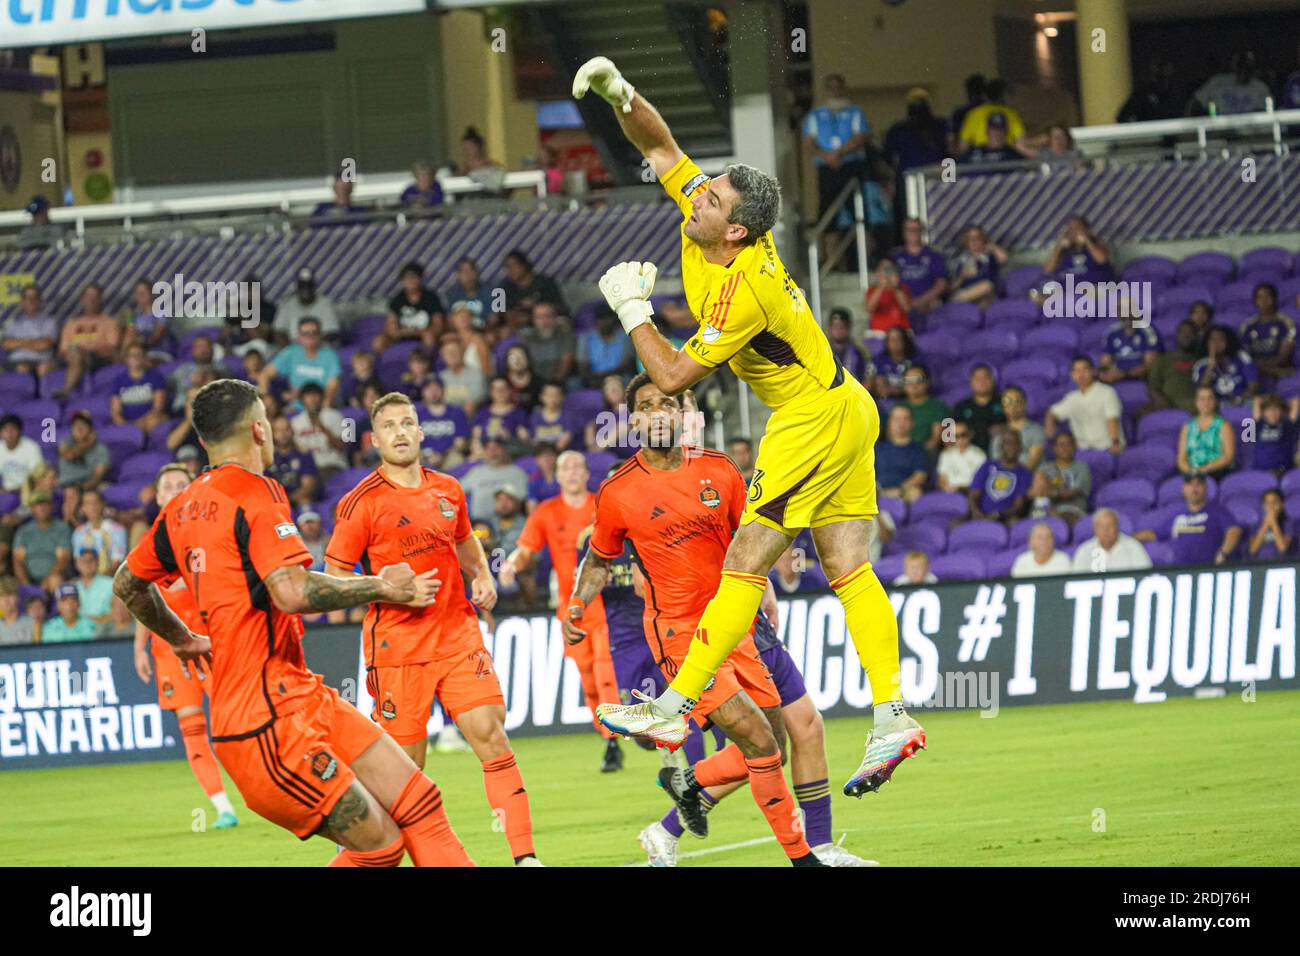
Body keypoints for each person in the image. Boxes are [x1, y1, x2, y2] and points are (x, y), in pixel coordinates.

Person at [575, 55, 924, 801]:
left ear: (735, 231)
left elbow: (668, 378)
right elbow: (662, 148)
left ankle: (673, 710)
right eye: (705, 188)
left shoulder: (746, 292)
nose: (697, 196)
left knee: (744, 563)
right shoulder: (713, 218)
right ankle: (893, 713)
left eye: (713, 198)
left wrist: (634, 309)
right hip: (844, 402)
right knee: (848, 568)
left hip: (811, 419)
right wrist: (620, 94)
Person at [115, 377, 472, 866]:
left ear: (202, 440)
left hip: (302, 695)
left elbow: (127, 583)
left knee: (421, 802)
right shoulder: (256, 493)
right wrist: (381, 586)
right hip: (263, 728)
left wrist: (183, 640)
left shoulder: (179, 509)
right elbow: (293, 591)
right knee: (382, 846)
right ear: (260, 430)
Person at [584, 386, 872, 867]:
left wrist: (767, 591)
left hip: (749, 619)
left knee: (800, 729)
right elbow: (635, 569)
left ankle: (684, 814)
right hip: (704, 630)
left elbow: (749, 537)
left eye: (680, 407)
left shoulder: (717, 470)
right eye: (659, 408)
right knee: (763, 744)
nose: (674, 417)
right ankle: (796, 847)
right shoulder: (638, 485)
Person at [324, 392, 540, 865]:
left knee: (490, 732)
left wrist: (481, 576)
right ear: (374, 439)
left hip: (457, 633)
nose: (400, 433)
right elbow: (334, 578)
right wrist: (389, 589)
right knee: (405, 775)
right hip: (397, 648)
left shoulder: (448, 489)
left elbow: (466, 544)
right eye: (390, 426)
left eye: (408, 423)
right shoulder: (360, 503)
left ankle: (525, 858)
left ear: (421, 432)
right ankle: (358, 846)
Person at [498, 450, 624, 772]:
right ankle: (606, 734)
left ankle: (612, 741)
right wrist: (511, 564)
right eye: (564, 467)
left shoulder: (602, 504)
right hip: (572, 609)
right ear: (556, 475)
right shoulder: (546, 512)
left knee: (605, 672)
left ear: (585, 473)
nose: (571, 472)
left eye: (576, 466)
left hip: (608, 604)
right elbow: (526, 549)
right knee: (589, 680)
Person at [130, 462, 240, 829]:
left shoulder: (206, 534)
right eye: (168, 485)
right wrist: (138, 648)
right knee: (192, 730)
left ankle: (267, 788)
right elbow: (139, 598)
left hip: (211, 645)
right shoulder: (149, 546)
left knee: (234, 723)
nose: (176, 488)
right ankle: (223, 807)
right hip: (170, 653)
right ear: (158, 496)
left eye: (182, 483)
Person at [1136, 473, 1241, 566]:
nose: (1194, 489)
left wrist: (1224, 552)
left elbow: (1233, 531)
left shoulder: (1217, 510)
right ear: (1183, 489)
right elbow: (1153, 534)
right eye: (1190, 485)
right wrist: (1128, 539)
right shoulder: (1177, 515)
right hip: (1180, 571)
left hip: (1208, 568)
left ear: (1205, 488)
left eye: (1198, 484)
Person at [1046, 356, 1125, 453]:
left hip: (1107, 449)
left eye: (1085, 370)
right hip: (1082, 451)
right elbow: (1052, 413)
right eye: (1077, 371)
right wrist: (1050, 427)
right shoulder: (1071, 398)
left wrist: (1115, 443)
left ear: (1093, 371)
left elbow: (1112, 419)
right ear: (1072, 375)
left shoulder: (1107, 392)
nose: (1081, 374)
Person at [57, 284, 122, 396]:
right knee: (75, 354)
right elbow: (63, 350)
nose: (91, 300)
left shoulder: (110, 322)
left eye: (95, 296)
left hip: (99, 359)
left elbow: (111, 348)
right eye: (88, 296)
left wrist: (87, 351)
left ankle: (67, 390)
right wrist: (75, 353)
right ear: (82, 299)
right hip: (73, 358)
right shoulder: (71, 324)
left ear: (100, 299)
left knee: (77, 353)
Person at [264, 318, 342, 407]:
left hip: (321, 406)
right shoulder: (291, 352)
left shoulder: (330, 355)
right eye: (305, 333)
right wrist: (267, 398)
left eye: (314, 332)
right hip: (295, 407)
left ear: (320, 335)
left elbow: (331, 389)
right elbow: (265, 375)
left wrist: (322, 411)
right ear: (299, 337)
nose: (310, 336)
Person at [377, 262, 445, 352]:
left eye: (414, 277)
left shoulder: (431, 298)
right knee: (378, 341)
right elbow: (390, 323)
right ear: (402, 281)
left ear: (421, 279)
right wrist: (399, 332)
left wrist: (418, 332)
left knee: (429, 336)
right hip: (402, 334)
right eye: (407, 278)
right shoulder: (398, 299)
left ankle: (424, 363)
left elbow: (438, 325)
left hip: (424, 334)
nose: (410, 281)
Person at [967, 429, 1032, 524]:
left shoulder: (1024, 473)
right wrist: (975, 511)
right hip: (981, 514)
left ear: (1020, 447)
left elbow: (1019, 505)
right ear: (1001, 447)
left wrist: (999, 515)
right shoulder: (987, 466)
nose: (1011, 447)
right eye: (1007, 443)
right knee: (955, 523)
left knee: (1014, 523)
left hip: (1005, 517)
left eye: (1014, 443)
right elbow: (973, 495)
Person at [13, 491, 72, 591]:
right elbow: (18, 561)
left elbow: (63, 559)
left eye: (45, 504)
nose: (42, 508)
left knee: (55, 580)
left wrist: (46, 581)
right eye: (37, 505)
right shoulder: (23, 531)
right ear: (32, 509)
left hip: (53, 577)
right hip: (29, 578)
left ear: (51, 506)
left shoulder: (62, 528)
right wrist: (26, 583)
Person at [460, 437, 529, 523]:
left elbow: (525, 501)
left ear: (504, 450)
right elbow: (455, 490)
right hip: (480, 525)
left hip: (509, 524)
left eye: (496, 448)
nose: (492, 452)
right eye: (488, 448)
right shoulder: (476, 472)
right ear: (484, 452)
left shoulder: (517, 473)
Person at [1238, 283, 1296, 383]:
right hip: (1264, 372)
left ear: (1274, 299)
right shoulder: (1247, 326)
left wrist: (1257, 366)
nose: (1264, 301)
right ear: (1255, 301)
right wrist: (1274, 371)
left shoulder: (1286, 323)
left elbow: (1283, 357)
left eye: (1268, 296)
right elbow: (1244, 358)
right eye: (1260, 297)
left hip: (1277, 369)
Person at [882, 88, 948, 175]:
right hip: (933, 175)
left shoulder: (897, 129)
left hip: (919, 176)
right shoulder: (942, 124)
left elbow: (887, 158)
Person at [891, 218, 949, 317]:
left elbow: (941, 284)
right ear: (904, 232)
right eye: (909, 230)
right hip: (901, 304)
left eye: (916, 229)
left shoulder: (934, 256)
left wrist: (920, 301)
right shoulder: (895, 257)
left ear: (922, 231)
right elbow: (888, 281)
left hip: (927, 303)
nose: (912, 233)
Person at [290, 383, 349, 477]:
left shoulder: (335, 416)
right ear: (302, 400)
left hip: (332, 465)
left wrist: (322, 427)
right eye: (308, 396)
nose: (312, 399)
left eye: (315, 395)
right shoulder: (295, 422)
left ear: (322, 398)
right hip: (307, 468)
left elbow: (341, 446)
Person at [1030, 432, 1091, 524]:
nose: (1065, 448)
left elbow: (1072, 493)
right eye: (1061, 445)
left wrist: (1050, 490)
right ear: (1055, 448)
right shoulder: (1044, 467)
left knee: (1058, 519)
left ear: (1074, 447)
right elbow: (1036, 490)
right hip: (1045, 508)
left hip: (1072, 509)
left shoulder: (1082, 467)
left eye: (1068, 444)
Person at [1177, 386, 1236, 478]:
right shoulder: (1187, 426)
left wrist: (1203, 470)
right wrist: (1190, 471)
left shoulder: (1223, 425)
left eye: (1210, 398)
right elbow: (1181, 458)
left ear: (1215, 402)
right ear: (1196, 402)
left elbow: (1228, 456)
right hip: (1192, 472)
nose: (1206, 402)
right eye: (1202, 399)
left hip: (1217, 471)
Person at [110, 342, 169, 434]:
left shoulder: (155, 377)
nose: (135, 358)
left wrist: (141, 422)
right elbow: (116, 411)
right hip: (128, 422)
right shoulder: (119, 380)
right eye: (131, 355)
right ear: (126, 359)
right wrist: (125, 425)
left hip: (150, 420)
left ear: (144, 358)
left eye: (138, 355)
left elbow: (158, 407)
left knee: (159, 419)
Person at [1145, 320, 1202, 414]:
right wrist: (1164, 403)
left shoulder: (1200, 361)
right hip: (1167, 403)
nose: (1186, 336)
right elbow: (1152, 388)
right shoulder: (1162, 359)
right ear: (1176, 335)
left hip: (1195, 404)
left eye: (1191, 333)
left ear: (1196, 337)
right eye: (1183, 332)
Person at [2, 282, 59, 376]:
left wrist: (18, 343)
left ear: (39, 301)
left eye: (34, 298)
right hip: (17, 361)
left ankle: (44, 390)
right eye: (28, 298)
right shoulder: (14, 323)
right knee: (22, 368)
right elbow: (6, 344)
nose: (31, 301)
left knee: (44, 368)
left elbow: (45, 345)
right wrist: (31, 341)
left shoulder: (49, 322)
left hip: (41, 361)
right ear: (22, 302)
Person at [877, 405, 931, 503]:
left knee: (916, 493)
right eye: (897, 419)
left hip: (902, 492)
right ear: (889, 423)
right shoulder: (877, 448)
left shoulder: (917, 450)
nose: (901, 423)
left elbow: (920, 476)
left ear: (912, 423)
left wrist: (900, 489)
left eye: (905, 419)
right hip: (877, 491)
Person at [272, 268, 341, 344]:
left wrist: (310, 343)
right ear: (297, 287)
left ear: (314, 286)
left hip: (319, 347)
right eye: (302, 286)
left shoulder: (325, 303)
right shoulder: (287, 304)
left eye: (308, 286)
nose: (305, 289)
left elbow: (331, 332)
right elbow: (278, 331)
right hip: (292, 347)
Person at [1071, 508, 1152, 573]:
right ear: (1095, 529)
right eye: (1101, 527)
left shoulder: (1133, 547)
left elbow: (1144, 576)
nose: (1106, 530)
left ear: (1117, 528)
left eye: (1110, 526)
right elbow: (1075, 581)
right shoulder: (1084, 550)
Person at [1192, 325, 1258, 404]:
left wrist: (1239, 400)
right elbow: (1201, 391)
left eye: (1221, 339)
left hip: (1242, 402)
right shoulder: (1201, 364)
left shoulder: (1241, 357)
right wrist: (1211, 365)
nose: (1216, 343)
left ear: (1228, 342)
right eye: (1212, 340)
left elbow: (1253, 385)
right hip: (1215, 407)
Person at [1190, 51, 1271, 115]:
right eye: (1240, 66)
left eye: (1247, 67)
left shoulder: (1261, 88)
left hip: (1249, 131)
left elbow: (1266, 113)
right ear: (1234, 66)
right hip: (1220, 128)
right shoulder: (1218, 82)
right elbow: (1195, 102)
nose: (1243, 71)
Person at [417, 377, 471, 471]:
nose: (433, 392)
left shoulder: (456, 412)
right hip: (423, 455)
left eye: (436, 389)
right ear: (423, 392)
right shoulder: (416, 413)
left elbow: (461, 442)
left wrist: (442, 455)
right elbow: (412, 440)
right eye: (429, 389)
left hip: (449, 456)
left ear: (443, 391)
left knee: (457, 460)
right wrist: (427, 455)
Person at [1043, 215, 1113, 286]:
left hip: (1094, 285)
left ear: (1085, 229)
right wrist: (1059, 247)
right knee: (1043, 295)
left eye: (1077, 227)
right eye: (1070, 228)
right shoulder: (1063, 249)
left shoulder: (1095, 242)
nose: (1073, 231)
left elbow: (1102, 259)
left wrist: (1087, 241)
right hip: (1068, 287)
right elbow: (1048, 269)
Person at [989, 385, 1046, 470]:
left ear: (1025, 404)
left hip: (1028, 478)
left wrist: (1014, 478)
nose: (1012, 405)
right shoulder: (999, 432)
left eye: (1017, 401)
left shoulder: (1037, 431)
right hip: (1003, 478)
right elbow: (995, 461)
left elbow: (1032, 462)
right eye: (1007, 401)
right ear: (1002, 407)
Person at [72, 488, 127, 574]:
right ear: (82, 508)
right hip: (88, 578)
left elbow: (117, 561)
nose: (92, 507)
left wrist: (101, 580)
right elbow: (79, 560)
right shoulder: (79, 532)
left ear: (102, 504)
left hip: (111, 577)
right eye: (88, 504)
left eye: (95, 502)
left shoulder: (117, 529)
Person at [949, 225, 1007, 307]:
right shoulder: (962, 259)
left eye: (977, 238)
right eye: (970, 239)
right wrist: (962, 277)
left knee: (986, 286)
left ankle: (952, 304)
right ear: (966, 242)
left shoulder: (989, 256)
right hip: (968, 295)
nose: (974, 241)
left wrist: (990, 245)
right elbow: (953, 287)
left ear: (983, 239)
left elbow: (1004, 258)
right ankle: (956, 304)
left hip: (988, 293)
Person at [957, 78, 1025, 147]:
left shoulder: (973, 114)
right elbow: (1020, 144)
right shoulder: (1011, 114)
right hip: (1006, 156)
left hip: (980, 156)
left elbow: (963, 145)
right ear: (1003, 96)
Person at [952, 363, 1005, 452]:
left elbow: (1016, 425)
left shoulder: (1003, 403)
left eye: (986, 378)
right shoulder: (961, 406)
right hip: (968, 452)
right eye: (977, 379)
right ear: (971, 382)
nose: (982, 382)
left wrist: (1004, 428)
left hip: (999, 451)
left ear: (993, 380)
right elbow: (951, 434)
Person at [578, 307, 636, 386]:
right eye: (601, 319)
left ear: (614, 319)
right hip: (594, 377)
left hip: (619, 375)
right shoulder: (586, 338)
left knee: (628, 380)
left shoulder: (624, 336)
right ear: (596, 321)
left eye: (608, 318)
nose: (605, 322)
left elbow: (627, 363)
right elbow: (582, 365)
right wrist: (591, 377)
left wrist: (607, 376)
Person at [120, 278, 175, 361]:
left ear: (152, 293)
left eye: (144, 292)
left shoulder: (162, 313)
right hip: (137, 355)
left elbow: (155, 338)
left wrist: (138, 340)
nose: (141, 295)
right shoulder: (133, 315)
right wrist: (123, 355)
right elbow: (129, 334)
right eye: (138, 293)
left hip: (159, 353)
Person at [472, 376, 530, 452]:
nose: (499, 392)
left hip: (509, 454)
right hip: (484, 455)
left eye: (503, 389)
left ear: (510, 391)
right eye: (496, 389)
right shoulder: (482, 413)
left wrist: (509, 438)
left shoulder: (519, 414)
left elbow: (526, 442)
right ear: (491, 392)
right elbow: (474, 439)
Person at [58, 411, 112, 492]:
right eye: (75, 425)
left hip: (86, 487)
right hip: (63, 486)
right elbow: (69, 455)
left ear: (90, 428)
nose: (79, 428)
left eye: (83, 424)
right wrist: (88, 443)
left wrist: (80, 490)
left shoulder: (101, 448)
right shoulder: (66, 441)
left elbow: (97, 477)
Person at [501, 250, 567, 313]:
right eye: (507, 267)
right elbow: (499, 312)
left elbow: (561, 308)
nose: (510, 270)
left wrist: (537, 305)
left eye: (513, 265)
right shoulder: (506, 288)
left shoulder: (545, 283)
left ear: (524, 265)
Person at [902, 364, 949, 453]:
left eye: (918, 380)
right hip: (900, 453)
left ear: (927, 382)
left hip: (927, 454)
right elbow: (892, 437)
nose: (914, 384)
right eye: (909, 380)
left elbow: (935, 440)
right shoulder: (899, 407)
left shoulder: (937, 406)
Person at [1250, 394, 1298, 476]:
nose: (1273, 412)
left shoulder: (1286, 425)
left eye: (1276, 409)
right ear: (1263, 412)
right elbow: (1256, 402)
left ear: (1282, 412)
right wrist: (1258, 403)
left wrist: (1292, 404)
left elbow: (1295, 403)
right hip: (1260, 471)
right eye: (1268, 409)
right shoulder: (1257, 425)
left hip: (1282, 470)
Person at [957, 111, 1021, 170]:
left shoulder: (1012, 154)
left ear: (1006, 132)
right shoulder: (974, 152)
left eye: (1000, 129)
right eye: (993, 129)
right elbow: (957, 166)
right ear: (987, 131)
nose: (997, 133)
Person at [936, 421, 986, 494]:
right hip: (949, 492)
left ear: (970, 434)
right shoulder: (946, 454)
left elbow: (981, 480)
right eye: (956, 436)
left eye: (963, 435)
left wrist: (960, 489)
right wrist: (945, 487)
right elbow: (942, 478)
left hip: (970, 492)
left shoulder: (979, 455)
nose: (959, 439)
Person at [527, 380, 579, 451]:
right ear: (541, 397)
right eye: (549, 395)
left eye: (556, 395)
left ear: (562, 397)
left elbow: (564, 442)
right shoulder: (534, 417)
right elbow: (531, 439)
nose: (552, 398)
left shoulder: (569, 416)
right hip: (539, 455)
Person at [864, 259, 912, 334]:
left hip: (901, 332)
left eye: (890, 268)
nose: (887, 272)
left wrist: (896, 287)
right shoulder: (872, 290)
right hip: (879, 332)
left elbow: (907, 308)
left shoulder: (902, 289)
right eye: (884, 269)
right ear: (877, 273)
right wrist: (881, 286)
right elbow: (869, 309)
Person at [443, 257, 493, 329]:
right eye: (463, 271)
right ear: (458, 275)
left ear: (476, 273)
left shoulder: (489, 292)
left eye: (470, 270)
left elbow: (493, 321)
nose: (467, 274)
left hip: (483, 332)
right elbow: (449, 321)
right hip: (459, 333)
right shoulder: (451, 294)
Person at [1247, 489, 1296, 560]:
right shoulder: (1256, 525)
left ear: (1282, 504)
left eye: (1275, 502)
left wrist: (1273, 523)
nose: (1271, 506)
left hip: (1283, 564)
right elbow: (1252, 550)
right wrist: (1265, 525)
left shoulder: (1289, 523)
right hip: (1260, 564)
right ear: (1263, 505)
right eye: (1267, 503)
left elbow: (1283, 548)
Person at [0, 413, 43, 494]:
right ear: (0, 433)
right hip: (7, 493)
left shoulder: (31, 447)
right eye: (5, 430)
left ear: (19, 431)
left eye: (13, 429)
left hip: (29, 491)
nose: (9, 433)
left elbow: (36, 478)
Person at [871, 326, 917, 400]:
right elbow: (877, 387)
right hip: (883, 402)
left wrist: (895, 390)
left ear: (905, 341)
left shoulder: (914, 361)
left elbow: (916, 386)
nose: (895, 343)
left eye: (898, 339)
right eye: (891, 340)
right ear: (886, 342)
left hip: (908, 400)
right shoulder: (879, 360)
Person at [826, 308, 870, 383]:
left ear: (849, 327)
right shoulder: (823, 351)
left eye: (842, 326)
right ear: (830, 327)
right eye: (835, 326)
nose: (838, 330)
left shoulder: (859, 352)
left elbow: (868, 379)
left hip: (854, 392)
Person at [0, 576, 37, 646]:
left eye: (10, 595)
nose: (6, 600)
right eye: (1, 596)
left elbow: (40, 652)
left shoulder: (32, 622)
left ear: (18, 598)